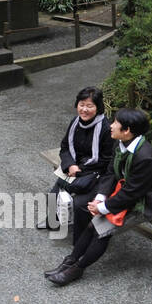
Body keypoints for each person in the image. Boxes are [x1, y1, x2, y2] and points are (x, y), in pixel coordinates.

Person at [49, 108, 152, 286]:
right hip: (123, 193)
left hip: (144, 201)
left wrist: (103, 207)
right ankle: (70, 261)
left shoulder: (145, 157)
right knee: (91, 223)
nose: (111, 126)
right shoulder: (120, 143)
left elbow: (133, 192)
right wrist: (100, 197)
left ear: (127, 130)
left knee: (101, 228)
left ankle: (77, 269)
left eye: (115, 123)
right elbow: (110, 173)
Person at [50, 86, 112, 240]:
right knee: (53, 194)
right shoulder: (75, 122)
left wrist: (80, 168)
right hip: (74, 167)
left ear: (98, 107)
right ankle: (52, 221)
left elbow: (106, 160)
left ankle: (80, 240)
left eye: (90, 106)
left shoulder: (105, 128)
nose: (84, 109)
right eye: (81, 104)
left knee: (80, 204)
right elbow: (65, 146)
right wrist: (70, 164)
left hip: (97, 173)